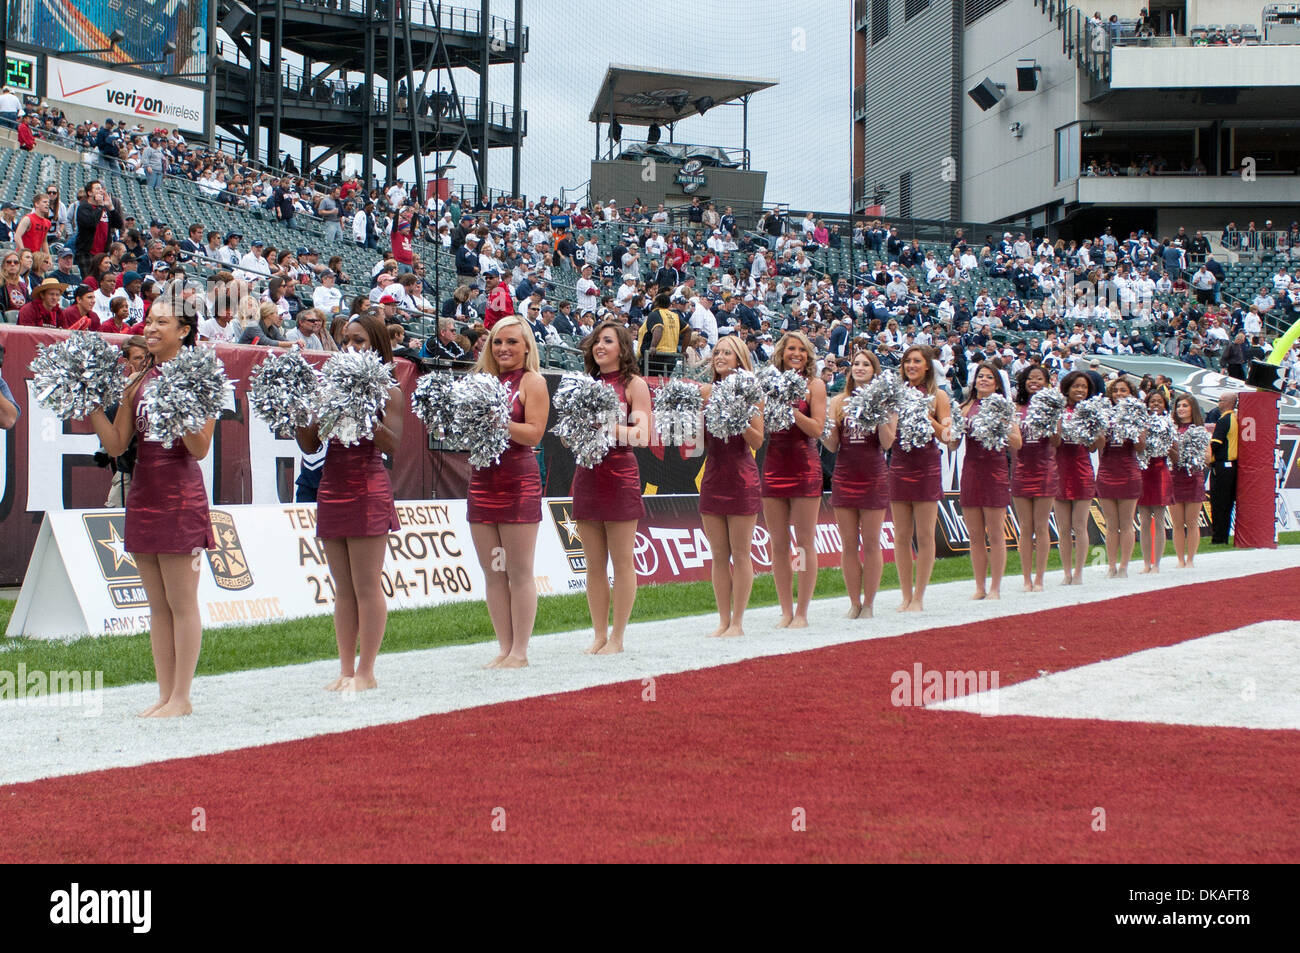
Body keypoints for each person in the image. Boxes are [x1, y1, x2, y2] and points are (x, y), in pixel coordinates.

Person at [86, 302, 216, 718]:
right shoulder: (137, 380)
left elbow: (199, 449)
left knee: (182, 604)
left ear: (183, 331)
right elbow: (117, 445)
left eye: (163, 321)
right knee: (157, 607)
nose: (152, 327)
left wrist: (181, 406)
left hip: (181, 495)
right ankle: (164, 695)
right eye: (150, 320)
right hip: (143, 492)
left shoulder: (200, 376)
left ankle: (183, 697)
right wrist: (88, 400)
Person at [294, 314, 401, 691]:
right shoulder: (329, 387)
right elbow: (310, 445)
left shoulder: (389, 389)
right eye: (346, 341)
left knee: (367, 584)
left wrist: (364, 411)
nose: (351, 347)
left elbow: (393, 444)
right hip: (332, 486)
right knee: (343, 587)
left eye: (360, 341)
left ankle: (367, 671)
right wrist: (302, 411)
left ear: (376, 347)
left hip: (369, 487)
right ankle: (344, 670)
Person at [467, 316, 548, 669]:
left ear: (527, 346)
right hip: (483, 482)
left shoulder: (533, 381)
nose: (504, 349)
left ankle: (521, 651)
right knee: (494, 571)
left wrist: (495, 419)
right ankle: (504, 647)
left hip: (517, 482)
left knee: (518, 571)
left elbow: (533, 434)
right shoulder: (479, 381)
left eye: (512, 342)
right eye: (498, 342)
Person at [571, 320, 651, 655]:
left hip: (619, 474)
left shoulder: (634, 384)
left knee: (621, 561)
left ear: (622, 347)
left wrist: (606, 426)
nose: (599, 346)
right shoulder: (584, 383)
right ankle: (599, 635)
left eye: (607, 340)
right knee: (593, 564)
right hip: (587, 474)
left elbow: (643, 436)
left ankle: (617, 638)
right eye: (596, 341)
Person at [760, 331, 827, 628]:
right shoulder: (767, 384)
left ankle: (802, 611)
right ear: (781, 352)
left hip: (804, 467)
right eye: (791, 348)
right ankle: (785, 610)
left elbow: (816, 429)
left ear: (808, 354)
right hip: (774, 465)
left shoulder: (815, 385)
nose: (796, 353)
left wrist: (790, 409)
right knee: (778, 544)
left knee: (802, 544)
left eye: (801, 349)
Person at [698, 335, 764, 638]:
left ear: (739, 359)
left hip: (741, 478)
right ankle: (722, 620)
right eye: (716, 352)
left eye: (727, 352)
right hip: (712, 477)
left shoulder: (751, 391)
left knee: (740, 553)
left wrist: (736, 413)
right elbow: (695, 443)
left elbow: (757, 440)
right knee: (718, 554)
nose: (720, 356)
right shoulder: (705, 391)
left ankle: (737, 622)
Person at [821, 349, 894, 618]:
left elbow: (887, 443)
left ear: (875, 370)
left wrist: (879, 413)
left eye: (866, 364)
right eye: (856, 364)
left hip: (873, 475)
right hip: (845, 474)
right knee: (848, 543)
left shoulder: (885, 402)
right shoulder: (840, 401)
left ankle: (870, 603)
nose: (860, 368)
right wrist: (824, 423)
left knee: (872, 542)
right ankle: (854, 602)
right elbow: (831, 444)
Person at [889, 345, 953, 612]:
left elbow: (948, 437)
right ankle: (905, 595)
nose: (911, 365)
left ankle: (919, 596)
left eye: (916, 361)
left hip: (927, 465)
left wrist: (928, 419)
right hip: (900, 464)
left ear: (927, 365)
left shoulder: (938, 396)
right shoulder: (895, 395)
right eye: (907, 361)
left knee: (925, 535)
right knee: (901, 535)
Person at [959, 362, 1023, 600]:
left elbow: (1017, 443)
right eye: (980, 376)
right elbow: (953, 442)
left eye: (988, 377)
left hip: (995, 470)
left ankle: (995, 587)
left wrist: (1001, 424)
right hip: (971, 470)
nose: (983, 380)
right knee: (975, 535)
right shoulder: (965, 407)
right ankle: (979, 587)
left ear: (997, 383)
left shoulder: (1005, 407)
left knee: (996, 533)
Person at [1011, 365, 1060, 591]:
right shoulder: (1015, 408)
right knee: (1025, 526)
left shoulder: (1052, 409)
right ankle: (1025, 578)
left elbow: (1057, 442)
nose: (1034, 382)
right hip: (1021, 470)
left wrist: (1052, 421)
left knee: (1041, 526)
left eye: (1039, 378)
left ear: (1046, 382)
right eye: (1030, 378)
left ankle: (1039, 578)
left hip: (1044, 469)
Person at [1054, 370, 1104, 585]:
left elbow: (1094, 447)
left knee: (1080, 525)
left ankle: (1079, 572)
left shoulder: (1091, 412)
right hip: (1059, 470)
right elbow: (1053, 443)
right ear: (1067, 388)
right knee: (1063, 528)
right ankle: (1066, 572)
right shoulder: (1056, 410)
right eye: (1076, 386)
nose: (1080, 390)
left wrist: (1099, 432)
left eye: (1084, 387)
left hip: (1082, 470)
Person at [1096, 377, 1145, 577]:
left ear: (1131, 393)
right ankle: (1111, 566)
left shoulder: (1137, 415)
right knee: (1111, 524)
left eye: (1123, 390)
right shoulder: (1103, 414)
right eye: (1115, 390)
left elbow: (1141, 448)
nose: (1118, 394)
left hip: (1128, 471)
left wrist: (1135, 428)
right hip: (1107, 470)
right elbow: (1098, 448)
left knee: (1126, 523)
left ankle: (1124, 566)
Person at [1169, 393, 1210, 567]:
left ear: (1193, 408)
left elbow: (1208, 458)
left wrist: (1193, 454)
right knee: (1177, 523)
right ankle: (1179, 559)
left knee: (1192, 522)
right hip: (1174, 478)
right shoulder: (1170, 430)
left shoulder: (1201, 431)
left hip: (1194, 477)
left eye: (1185, 405)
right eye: (1179, 406)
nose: (1181, 409)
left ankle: (1191, 559)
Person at [1137, 390, 1174, 573]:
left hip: (1160, 470)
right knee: (1144, 520)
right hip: (1143, 471)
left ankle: (1157, 563)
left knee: (1159, 520)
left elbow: (1173, 448)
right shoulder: (1140, 422)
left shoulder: (1169, 423)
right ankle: (1146, 562)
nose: (1156, 404)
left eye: (1159, 401)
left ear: (1165, 405)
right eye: (1152, 401)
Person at [1208, 391, 1238, 545]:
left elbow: (1216, 443)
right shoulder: (1233, 418)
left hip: (1222, 465)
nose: (1218, 403)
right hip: (1231, 466)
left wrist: (1207, 457)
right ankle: (1222, 536)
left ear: (1227, 402)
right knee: (1226, 503)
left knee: (1219, 503)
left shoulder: (1224, 419)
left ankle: (1218, 537)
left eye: (1220, 400)